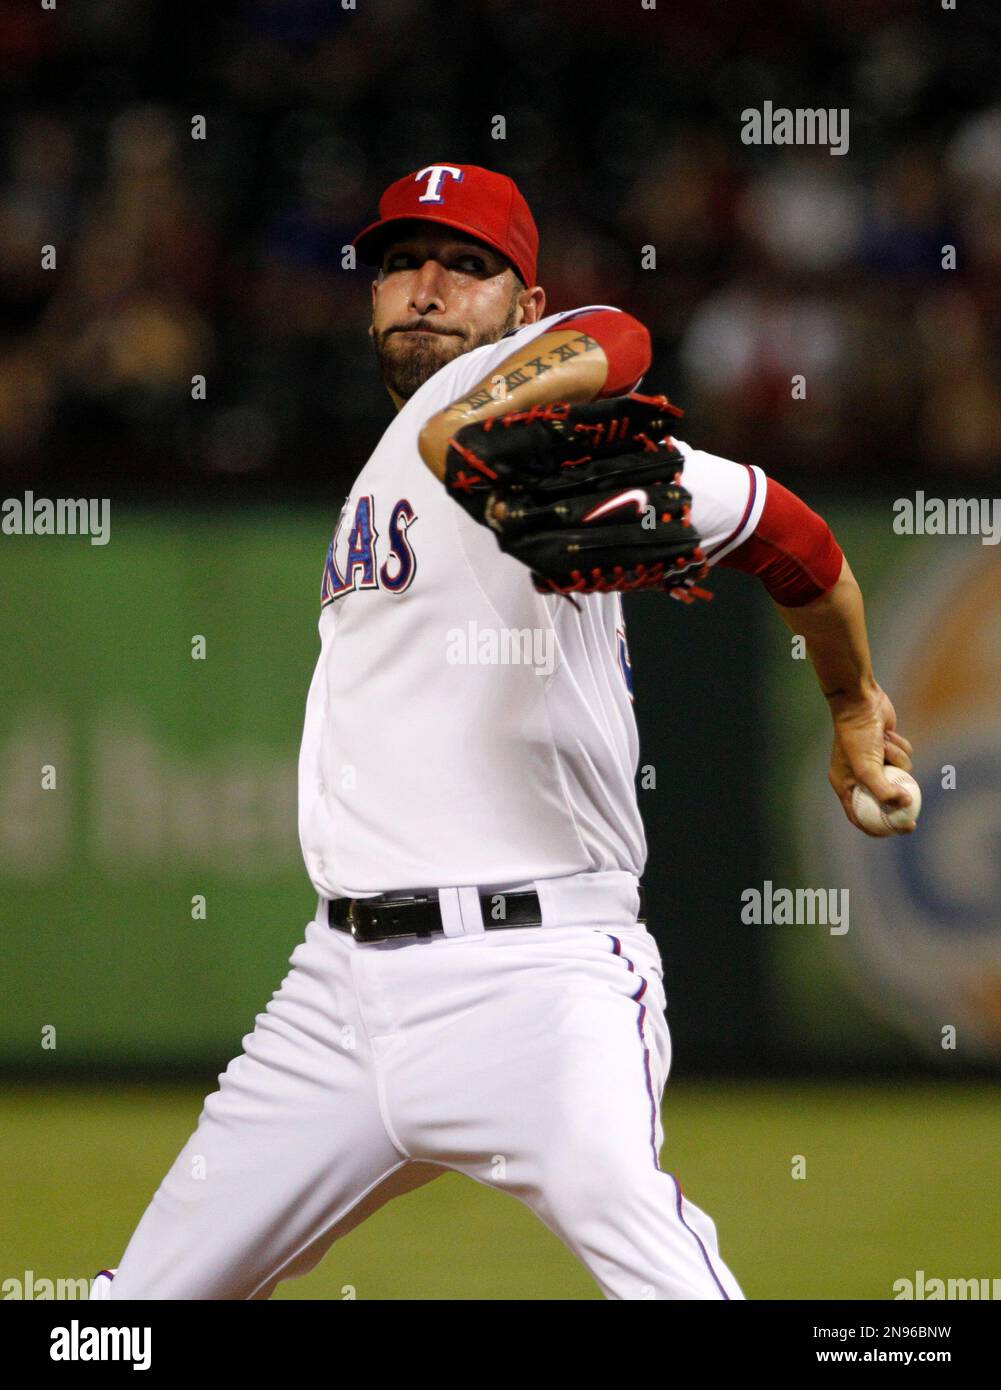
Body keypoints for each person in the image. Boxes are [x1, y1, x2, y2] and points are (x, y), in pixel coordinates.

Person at [92, 163, 914, 1301]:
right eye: (400, 264)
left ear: (524, 312)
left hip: (535, 975)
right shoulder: (394, 466)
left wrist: (847, 703)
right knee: (126, 1317)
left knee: (663, 1277)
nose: (426, 285)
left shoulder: (548, 434)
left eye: (468, 265)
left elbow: (775, 517)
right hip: (334, 991)